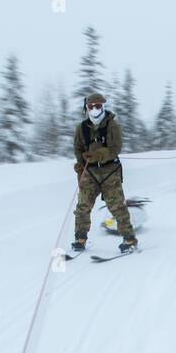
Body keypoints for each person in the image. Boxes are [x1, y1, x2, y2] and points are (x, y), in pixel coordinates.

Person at [71, 91, 137, 253]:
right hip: (90, 173)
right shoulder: (81, 128)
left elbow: (116, 148)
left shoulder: (112, 125)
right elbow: (78, 148)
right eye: (91, 106)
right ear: (86, 108)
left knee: (117, 206)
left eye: (98, 106)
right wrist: (81, 165)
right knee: (82, 207)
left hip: (110, 171)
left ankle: (129, 238)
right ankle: (80, 237)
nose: (94, 109)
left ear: (103, 106)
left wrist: (98, 155)